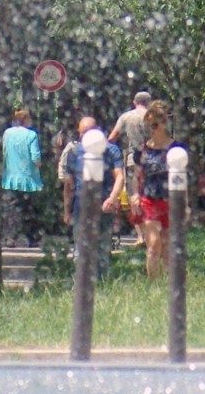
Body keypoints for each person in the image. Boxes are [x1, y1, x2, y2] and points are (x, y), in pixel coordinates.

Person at [62, 117, 122, 279]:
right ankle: (81, 284)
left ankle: (102, 284)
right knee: (80, 250)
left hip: (104, 207)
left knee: (102, 250)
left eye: (88, 133)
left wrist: (112, 198)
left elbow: (119, 177)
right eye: (82, 134)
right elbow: (69, 184)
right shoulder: (74, 153)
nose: (85, 137)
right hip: (81, 208)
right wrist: (67, 211)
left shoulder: (111, 151)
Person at [134, 102, 179, 279]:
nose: (151, 130)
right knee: (153, 244)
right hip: (149, 200)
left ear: (164, 124)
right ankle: (153, 283)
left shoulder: (177, 149)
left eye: (154, 125)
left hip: (171, 201)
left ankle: (169, 284)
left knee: (168, 246)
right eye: (148, 126)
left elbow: (182, 179)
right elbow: (136, 175)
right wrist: (134, 194)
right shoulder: (143, 149)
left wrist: (185, 204)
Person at [0, 107, 43, 246]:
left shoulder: (7, 133)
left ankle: (10, 237)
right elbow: (35, 157)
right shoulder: (31, 135)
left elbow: (4, 152)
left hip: (10, 178)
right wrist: (40, 165)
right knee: (29, 210)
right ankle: (32, 239)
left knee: (11, 209)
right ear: (26, 120)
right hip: (29, 179)